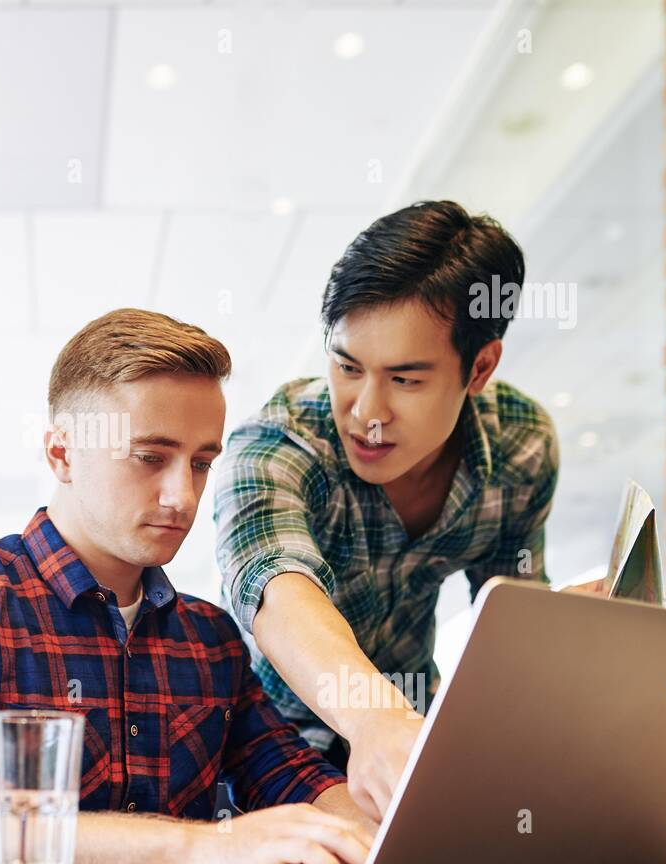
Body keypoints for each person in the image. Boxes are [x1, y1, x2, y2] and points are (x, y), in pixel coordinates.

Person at [0, 308, 375, 864]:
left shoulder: (209, 639)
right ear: (62, 453)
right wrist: (201, 846)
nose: (182, 496)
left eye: (201, 463)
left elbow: (290, 776)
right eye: (150, 458)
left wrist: (389, 832)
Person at [213, 200, 601, 824]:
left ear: (480, 367)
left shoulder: (521, 447)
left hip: (415, 727)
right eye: (347, 366)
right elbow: (273, 584)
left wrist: (561, 631)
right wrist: (372, 715)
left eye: (406, 380)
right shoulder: (278, 443)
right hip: (265, 744)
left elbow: (505, 606)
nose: (367, 410)